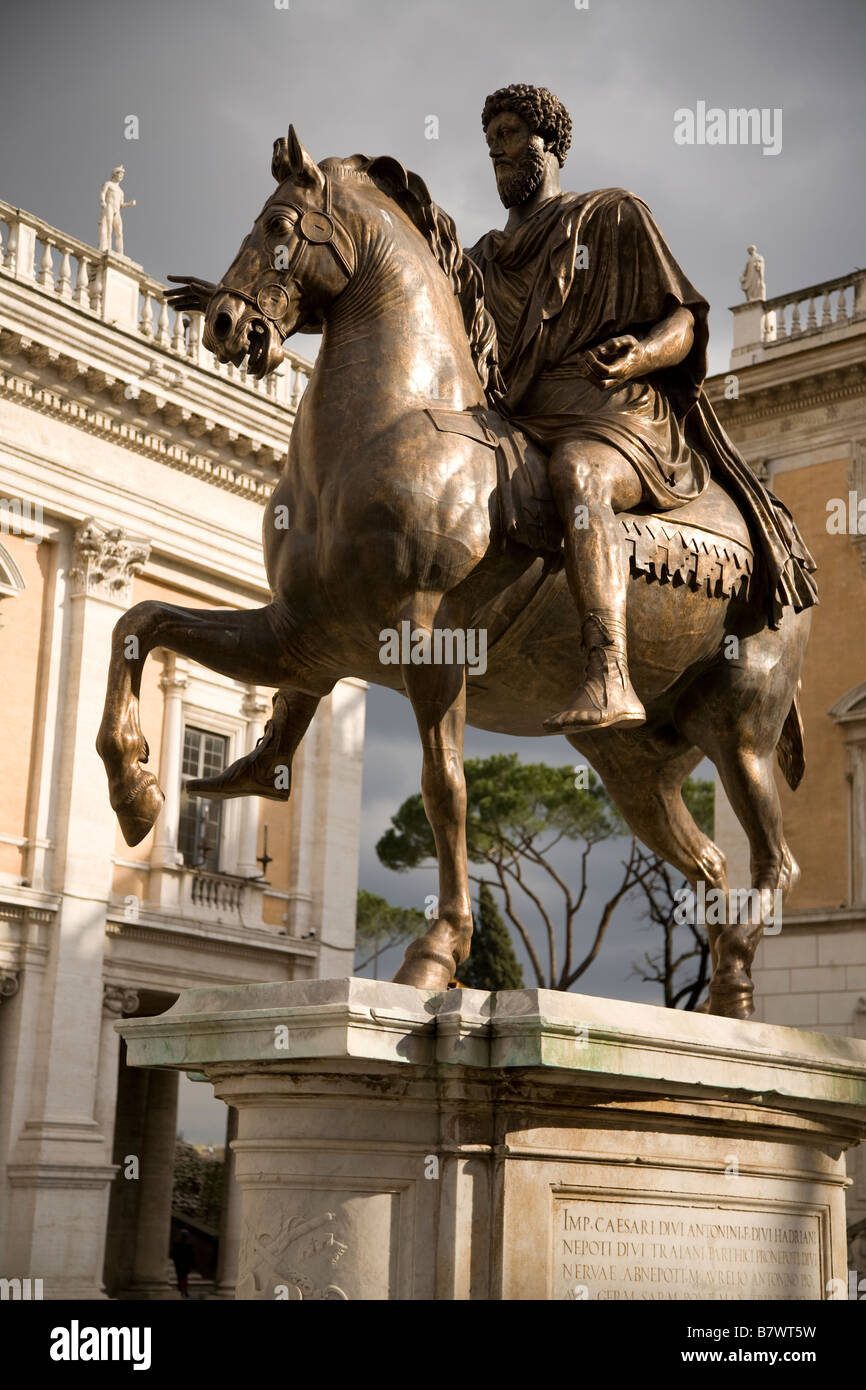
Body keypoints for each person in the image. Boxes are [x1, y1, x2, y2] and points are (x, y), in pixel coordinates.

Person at [466, 84, 816, 733]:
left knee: (580, 474)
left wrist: (641, 356)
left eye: (510, 136)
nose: (498, 152)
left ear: (551, 143)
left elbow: (683, 318)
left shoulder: (611, 214)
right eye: (491, 143)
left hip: (616, 414)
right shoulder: (483, 259)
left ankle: (610, 672)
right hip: (522, 417)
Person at [170, 1227, 195, 1299]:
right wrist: (193, 1264)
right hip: (186, 1263)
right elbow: (191, 1255)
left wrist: (174, 1259)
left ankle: (180, 1289)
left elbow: (172, 1253)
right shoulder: (189, 1244)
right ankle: (185, 1290)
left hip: (179, 1262)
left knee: (179, 1277)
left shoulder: (176, 1243)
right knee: (185, 1277)